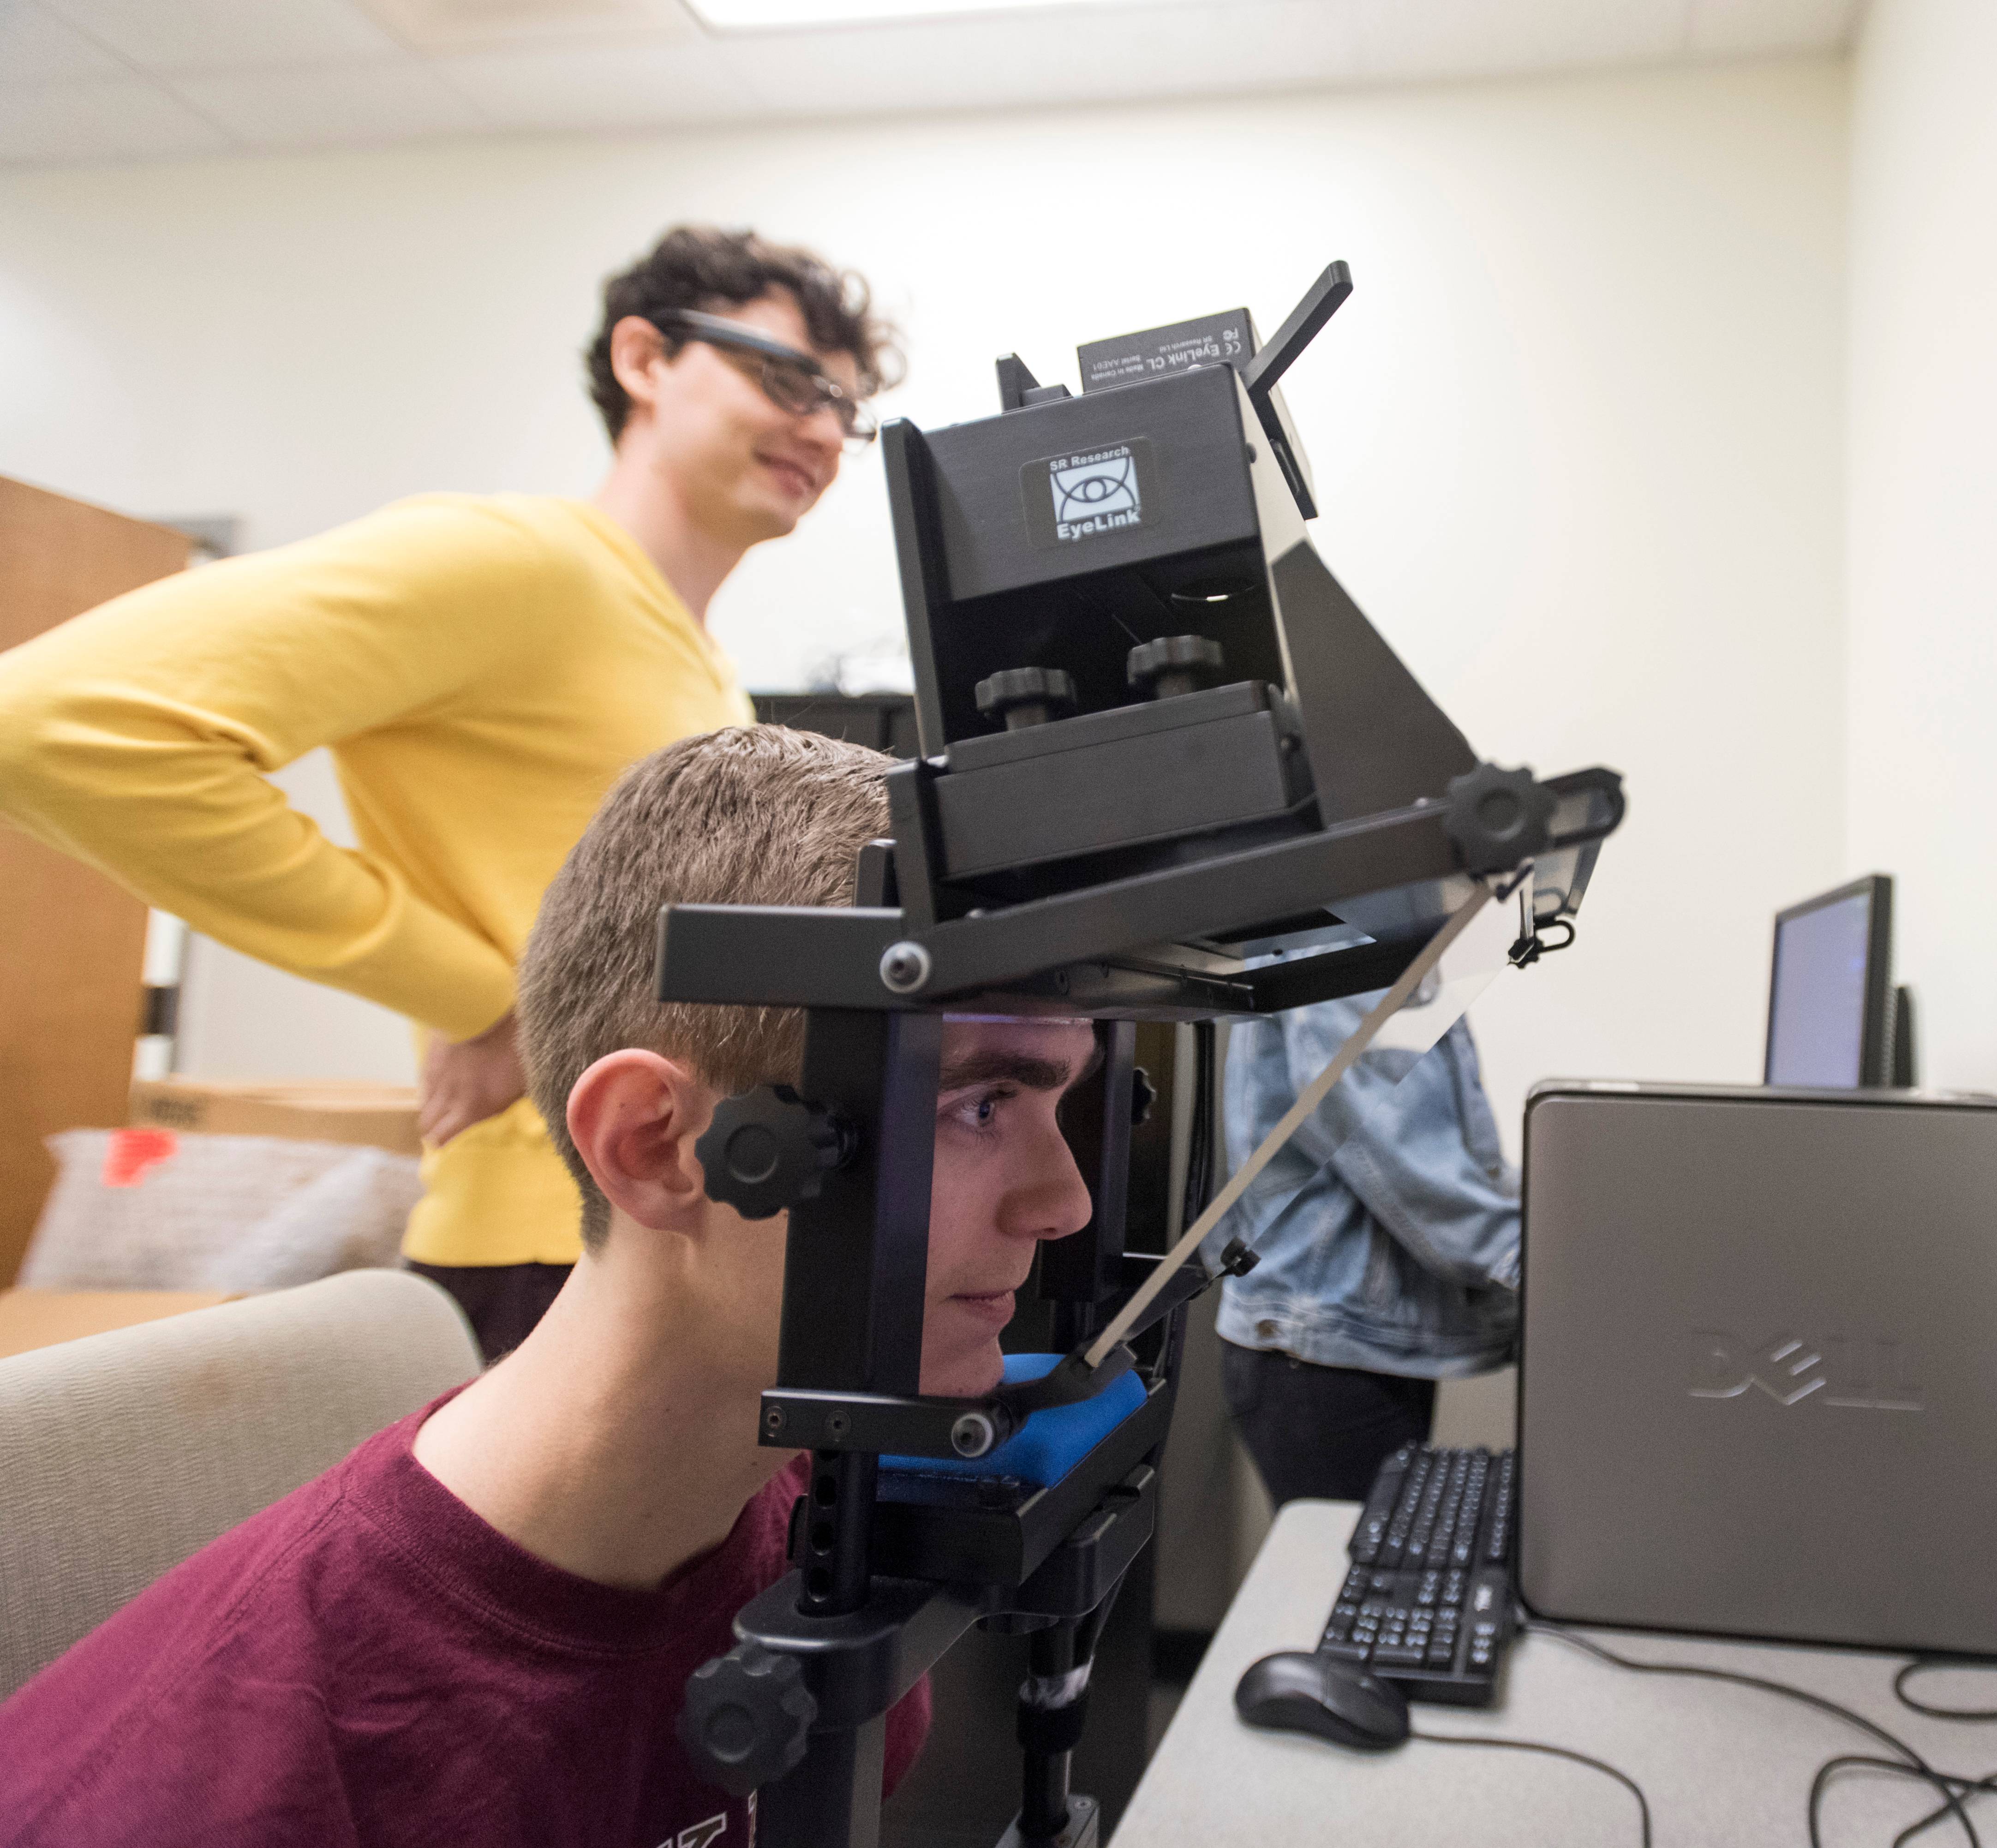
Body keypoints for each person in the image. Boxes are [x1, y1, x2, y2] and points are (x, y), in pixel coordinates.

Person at [0, 724, 1105, 1846]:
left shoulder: (811, 1549)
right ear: (657, 1147)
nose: (1065, 1205)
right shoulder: (215, 1795)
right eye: (977, 1106)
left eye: (1054, 1106)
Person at [0, 226, 899, 1360]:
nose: (822, 426)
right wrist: (483, 999)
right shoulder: (526, 563)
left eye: (847, 407)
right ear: (644, 360)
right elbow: (49, 725)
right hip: (547, 1248)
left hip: (678, 1223)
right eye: (787, 376)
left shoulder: (696, 665)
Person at [1208, 993, 1521, 1504]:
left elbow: (1451, 1150)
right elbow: (1401, 1156)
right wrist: (1535, 1260)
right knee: (1351, 1576)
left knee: (1372, 1568)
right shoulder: (1351, 934)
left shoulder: (1390, 934)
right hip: (1322, 1351)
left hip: (1356, 1341)